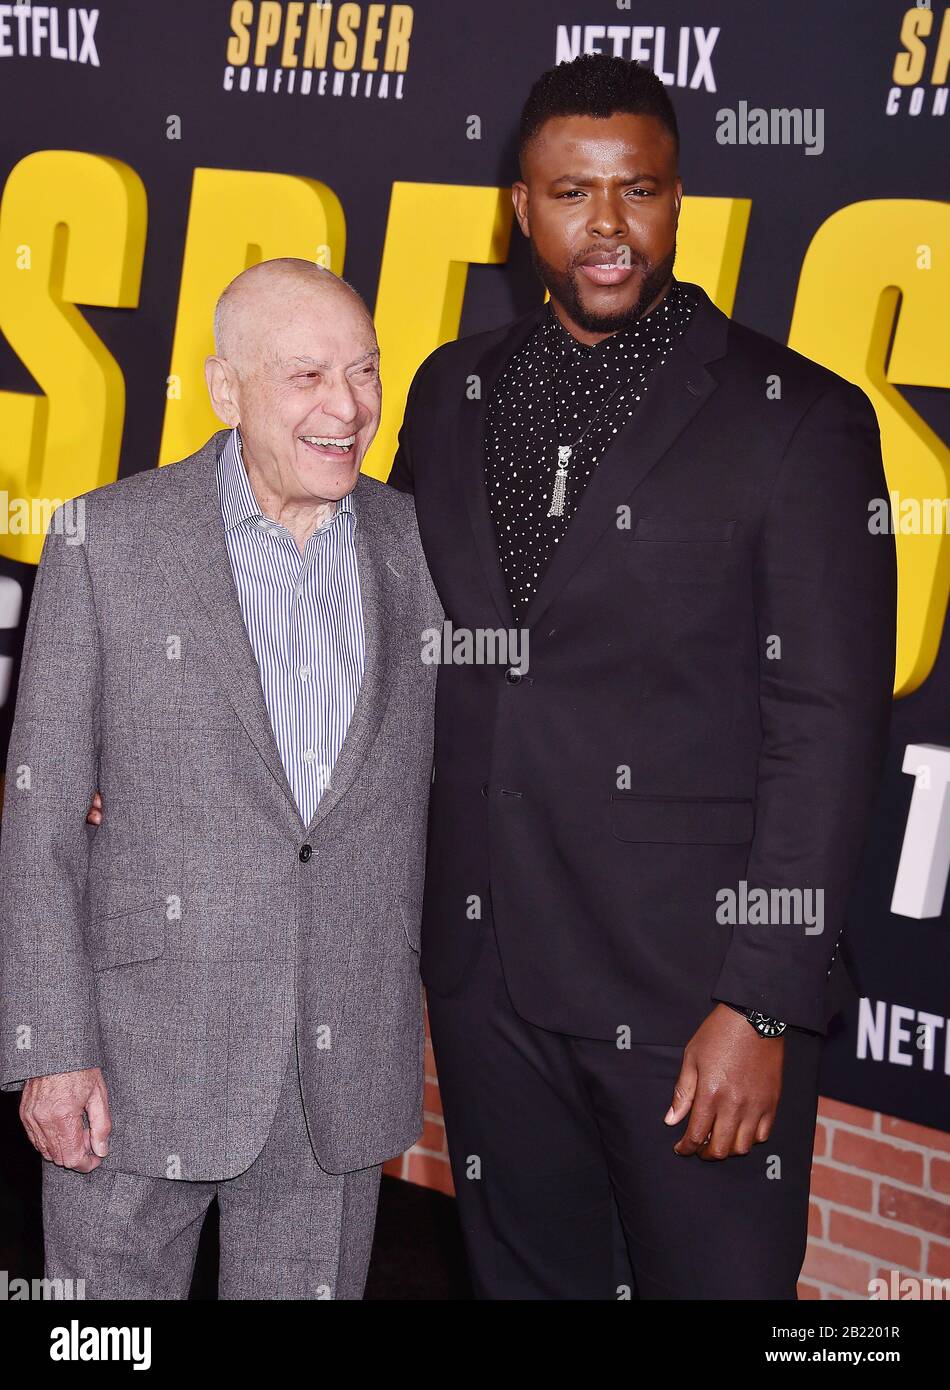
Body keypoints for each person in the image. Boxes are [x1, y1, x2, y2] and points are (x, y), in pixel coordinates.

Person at [388, 55, 897, 1299]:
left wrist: (764, 1004)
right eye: (571, 192)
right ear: (521, 208)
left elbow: (825, 726)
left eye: (638, 191)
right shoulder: (451, 392)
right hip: (485, 964)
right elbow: (382, 642)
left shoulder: (794, 417)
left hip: (692, 991)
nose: (606, 226)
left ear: (679, 204)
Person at [0, 258, 441, 1299]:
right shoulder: (105, 538)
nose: (348, 407)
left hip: (334, 1069)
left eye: (366, 372)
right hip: (132, 1058)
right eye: (306, 377)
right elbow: (41, 821)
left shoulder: (418, 547)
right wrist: (49, 1047)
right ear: (225, 389)